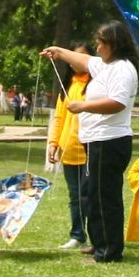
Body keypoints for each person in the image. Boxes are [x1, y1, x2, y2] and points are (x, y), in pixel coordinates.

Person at [41, 20, 137, 264]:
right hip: (95, 141)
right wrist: (59, 52)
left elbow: (118, 102)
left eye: (101, 42)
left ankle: (109, 251)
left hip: (110, 142)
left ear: (113, 44)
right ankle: (99, 243)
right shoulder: (103, 65)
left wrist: (83, 106)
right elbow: (81, 60)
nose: (97, 46)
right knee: (92, 194)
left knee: (105, 196)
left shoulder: (122, 69)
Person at [46, 45, 91, 251]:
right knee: (75, 196)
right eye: (72, 57)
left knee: (89, 195)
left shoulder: (95, 84)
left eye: (80, 56)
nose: (75, 61)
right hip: (69, 150)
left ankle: (97, 234)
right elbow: (59, 118)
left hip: (90, 149)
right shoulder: (68, 85)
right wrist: (53, 143)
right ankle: (77, 234)